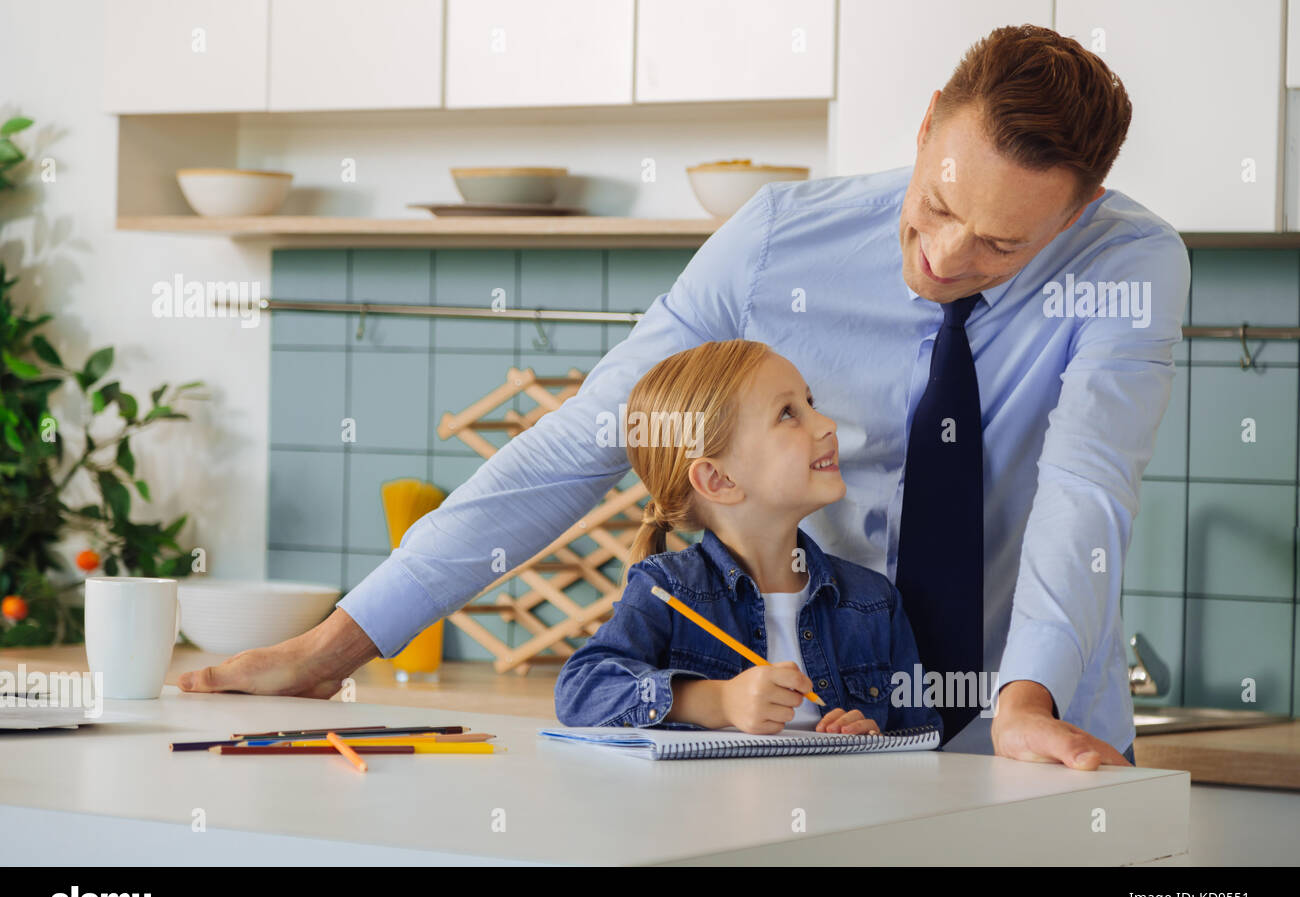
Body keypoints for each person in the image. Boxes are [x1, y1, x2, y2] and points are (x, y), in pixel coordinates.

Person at [180, 25, 1187, 770]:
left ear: (1079, 209)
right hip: (823, 747)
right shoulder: (774, 241)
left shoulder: (1130, 258)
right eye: (935, 206)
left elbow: (1085, 481)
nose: (944, 257)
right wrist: (331, 645)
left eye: (1002, 246)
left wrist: (1023, 697)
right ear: (926, 126)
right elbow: (588, 439)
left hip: (1043, 734)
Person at [553, 340, 941, 737]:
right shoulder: (666, 590)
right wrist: (717, 702)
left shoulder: (874, 602)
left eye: (811, 403)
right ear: (718, 480)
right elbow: (580, 691)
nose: (827, 425)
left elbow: (921, 736)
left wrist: (873, 741)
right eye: (788, 414)